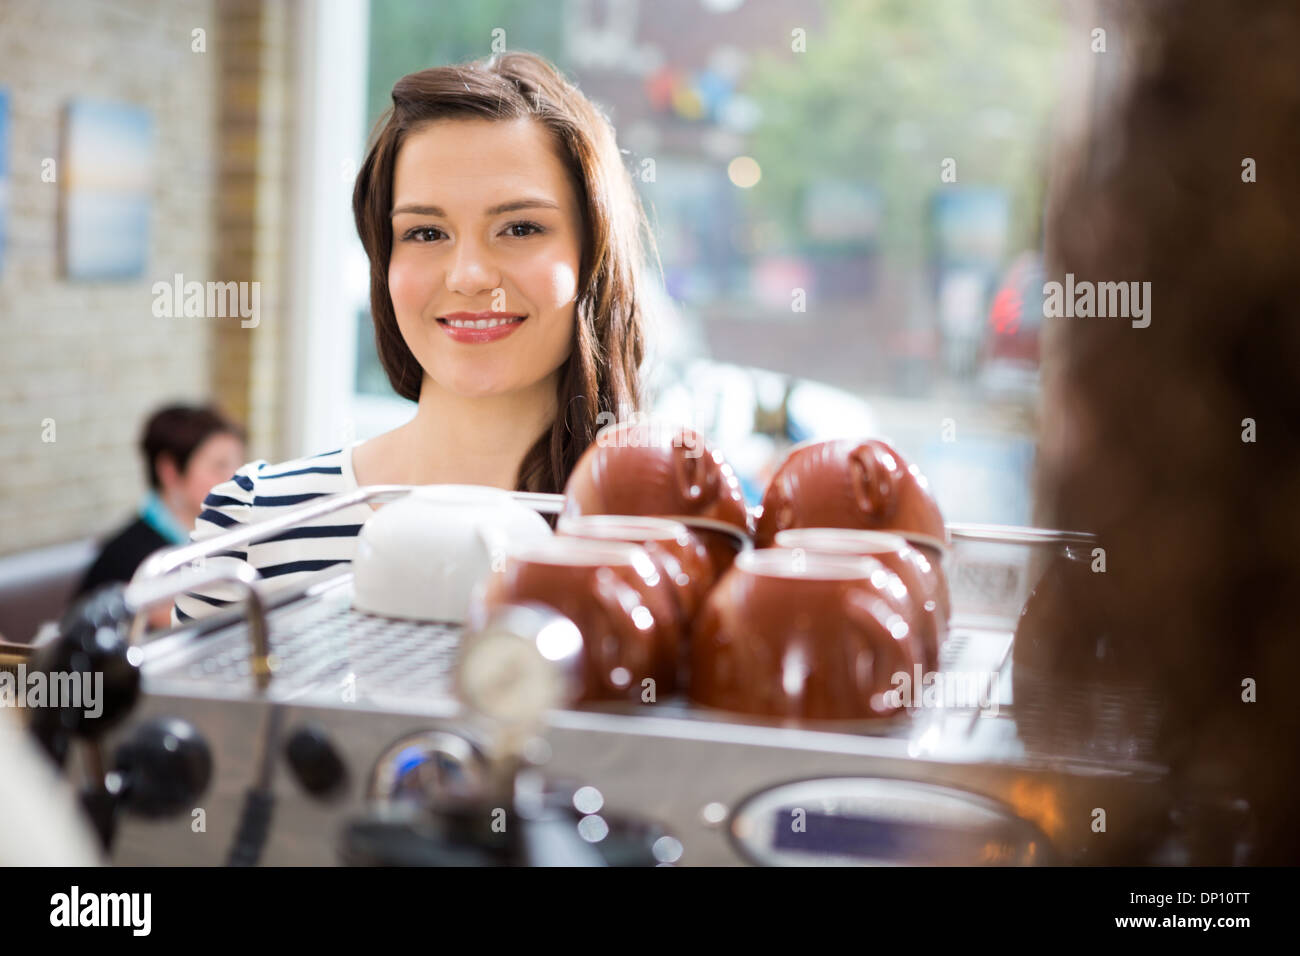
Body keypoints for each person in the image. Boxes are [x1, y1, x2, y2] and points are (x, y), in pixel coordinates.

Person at [174, 51, 657, 622]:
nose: (470, 275)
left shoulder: (665, 536)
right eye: (426, 232)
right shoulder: (255, 527)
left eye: (521, 227)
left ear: (592, 256)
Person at [77, 404, 245, 604]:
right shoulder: (136, 561)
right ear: (170, 472)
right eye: (220, 466)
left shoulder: (226, 534)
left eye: (239, 464)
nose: (237, 480)